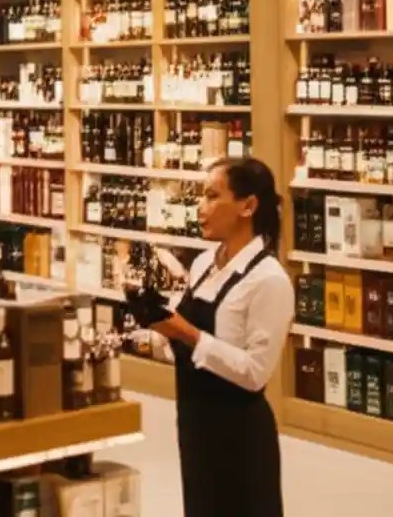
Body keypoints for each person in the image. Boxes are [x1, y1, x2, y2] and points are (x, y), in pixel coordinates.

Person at [136, 157, 293, 517]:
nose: (200, 208)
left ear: (248, 206)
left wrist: (188, 334)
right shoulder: (203, 264)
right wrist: (155, 325)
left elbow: (255, 373)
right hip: (195, 421)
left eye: (211, 197)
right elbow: (182, 340)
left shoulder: (269, 280)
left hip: (239, 433)